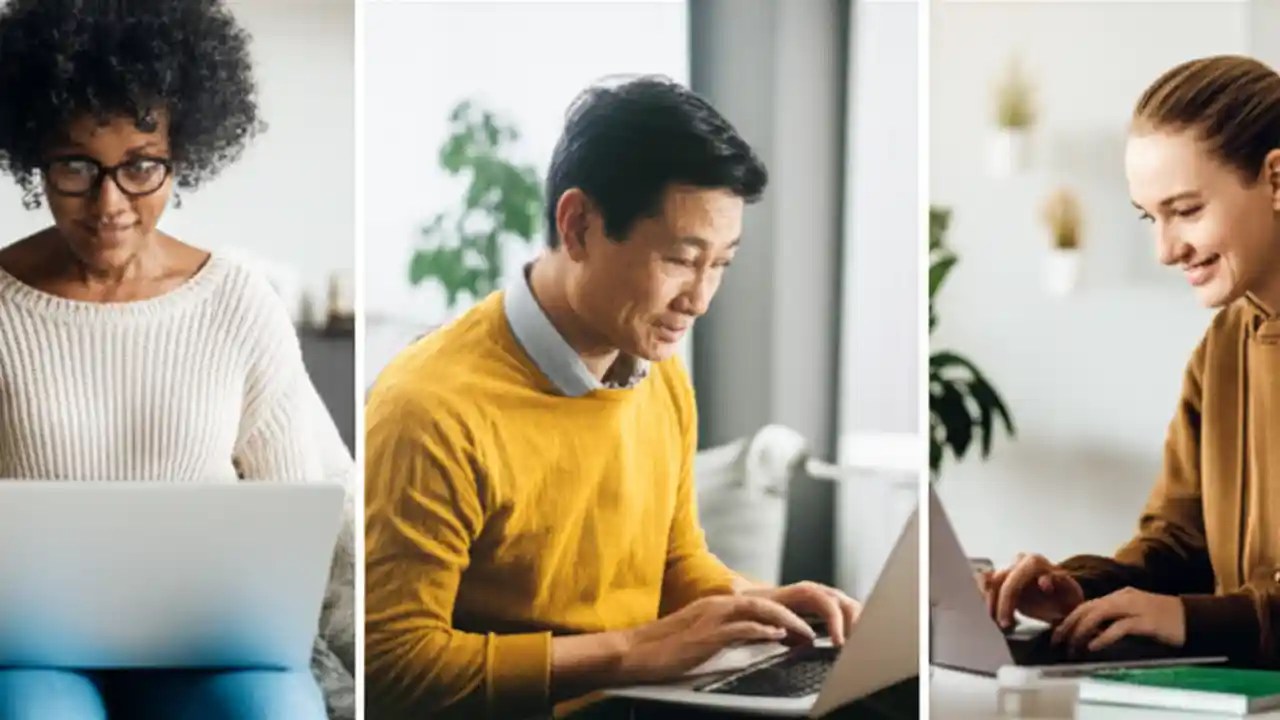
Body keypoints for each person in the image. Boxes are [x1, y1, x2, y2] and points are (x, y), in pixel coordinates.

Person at [365, 76, 862, 719]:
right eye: (682, 259)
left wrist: (758, 605)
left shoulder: (661, 373)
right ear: (578, 227)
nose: (700, 299)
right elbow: (392, 665)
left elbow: (674, 561)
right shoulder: (427, 409)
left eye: (721, 264)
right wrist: (629, 651)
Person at [0, 1, 353, 717]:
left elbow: (292, 516)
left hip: (219, 650)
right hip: (33, 655)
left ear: (180, 155)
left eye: (140, 167)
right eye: (77, 166)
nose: (109, 203)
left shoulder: (239, 302)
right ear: (34, 155)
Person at [984, 55, 1280, 668]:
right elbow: (1179, 544)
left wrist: (1194, 619)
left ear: (1276, 179)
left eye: (1188, 210)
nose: (1166, 250)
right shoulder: (1223, 348)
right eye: (1151, 217)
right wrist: (1082, 589)